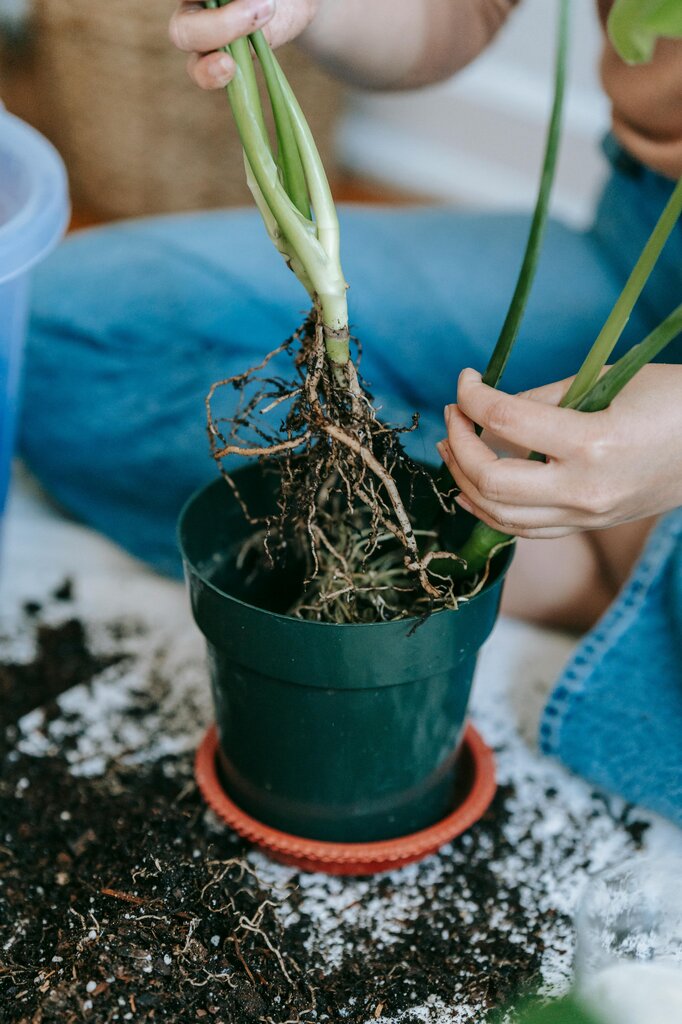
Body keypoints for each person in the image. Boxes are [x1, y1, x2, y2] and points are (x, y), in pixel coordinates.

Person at [20, 0, 682, 820]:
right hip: (646, 239)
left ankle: (585, 550)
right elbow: (459, 15)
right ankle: (544, 552)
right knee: (56, 331)